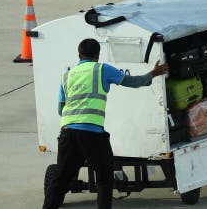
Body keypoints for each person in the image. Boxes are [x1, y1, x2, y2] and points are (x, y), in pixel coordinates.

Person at [43, 38, 169, 209]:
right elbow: (133, 82)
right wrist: (153, 73)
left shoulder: (67, 75)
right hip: (92, 134)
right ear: (97, 54)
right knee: (104, 178)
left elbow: (60, 109)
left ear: (79, 54)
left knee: (60, 181)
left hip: (67, 133)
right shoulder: (101, 69)